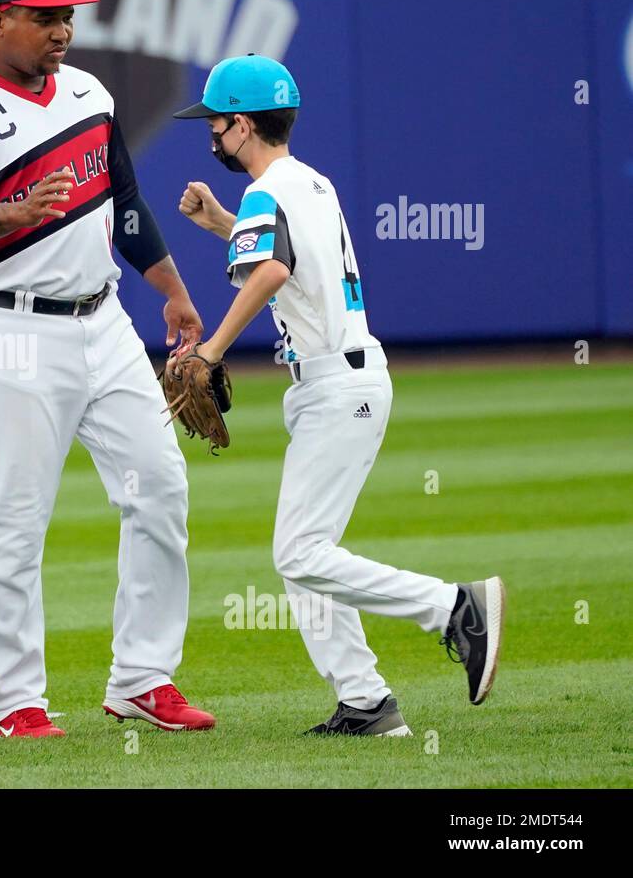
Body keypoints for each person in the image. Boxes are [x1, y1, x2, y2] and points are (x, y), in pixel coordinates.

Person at [0, 0, 213, 739]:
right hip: (4, 325)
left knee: (161, 487)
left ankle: (142, 678)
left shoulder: (88, 93)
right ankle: (15, 701)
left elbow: (128, 199)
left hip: (104, 320)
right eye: (45, 17)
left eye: (67, 15)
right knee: (17, 514)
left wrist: (173, 292)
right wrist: (12, 213)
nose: (60, 30)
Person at [174, 54, 505, 735]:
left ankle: (453, 608)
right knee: (305, 552)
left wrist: (210, 352)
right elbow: (289, 257)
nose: (210, 134)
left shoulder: (274, 193)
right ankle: (365, 702)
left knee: (298, 554)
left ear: (240, 126)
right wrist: (220, 224)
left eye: (215, 123)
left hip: (338, 384)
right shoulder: (308, 183)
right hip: (344, 378)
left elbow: (269, 269)